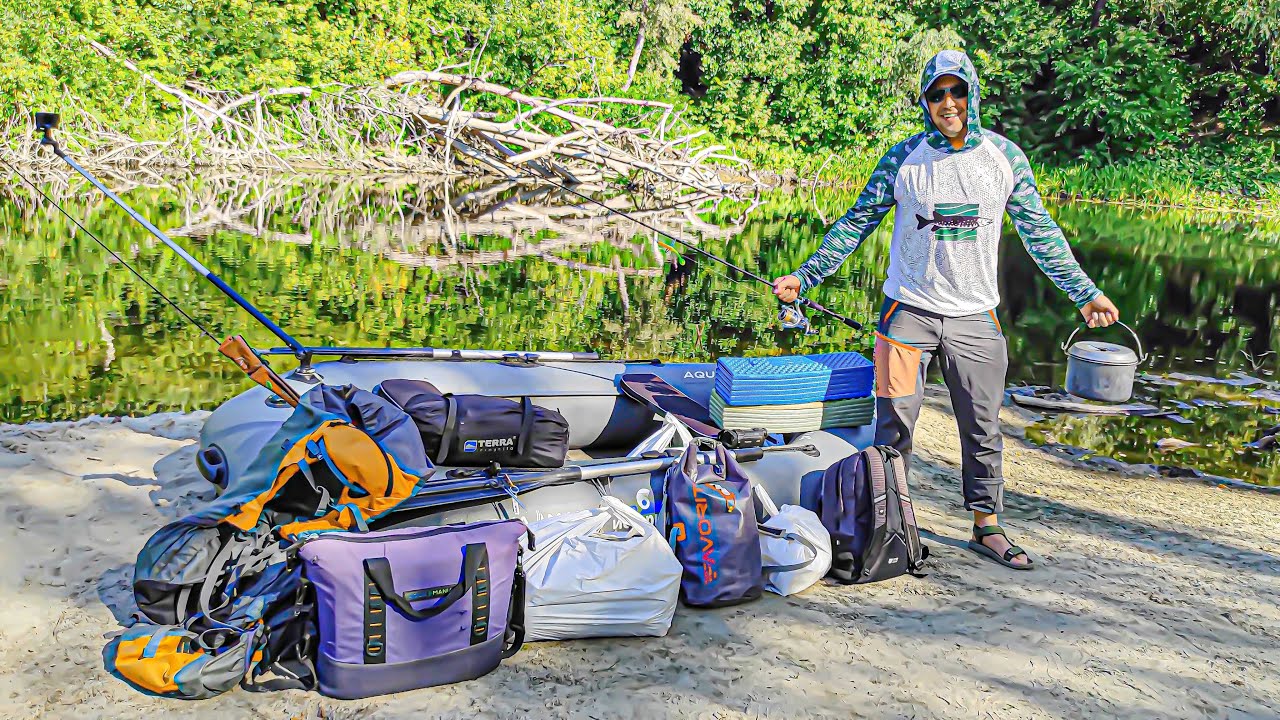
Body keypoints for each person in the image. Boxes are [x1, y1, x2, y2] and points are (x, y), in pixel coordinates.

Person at [773, 49, 1119, 570]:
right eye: (937, 94)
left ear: (973, 95)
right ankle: (892, 525)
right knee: (895, 425)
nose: (948, 102)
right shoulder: (903, 159)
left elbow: (1040, 232)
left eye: (957, 91)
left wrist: (1084, 292)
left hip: (975, 318)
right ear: (925, 101)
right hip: (906, 314)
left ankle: (987, 526)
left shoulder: (1005, 159)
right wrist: (808, 274)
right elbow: (855, 222)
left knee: (982, 425)